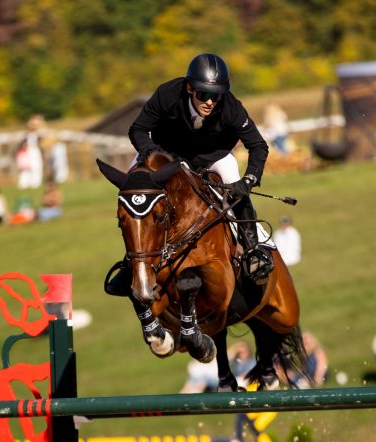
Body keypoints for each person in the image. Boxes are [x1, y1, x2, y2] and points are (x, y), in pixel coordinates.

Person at [116, 53, 272, 291]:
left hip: (212, 157)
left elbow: (258, 146)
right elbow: (138, 130)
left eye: (216, 96)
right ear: (190, 88)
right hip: (166, 155)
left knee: (232, 178)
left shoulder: (230, 106)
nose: (210, 102)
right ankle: (132, 263)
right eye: (204, 95)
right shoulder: (167, 94)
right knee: (133, 186)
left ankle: (253, 250)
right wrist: (155, 155)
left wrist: (248, 181)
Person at [16, 116, 45, 190]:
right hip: (28, 151)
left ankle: (35, 182)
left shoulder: (38, 134)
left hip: (35, 151)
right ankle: (25, 183)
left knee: (37, 167)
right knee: (26, 169)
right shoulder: (25, 135)